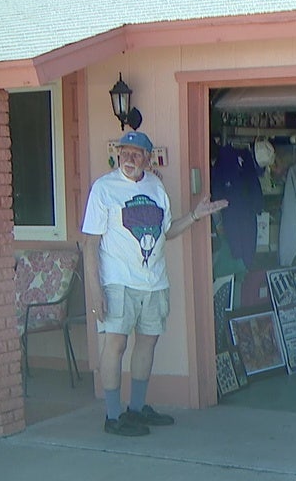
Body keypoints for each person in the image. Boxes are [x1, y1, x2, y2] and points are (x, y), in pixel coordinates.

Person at [82, 130, 228, 436]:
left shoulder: (156, 186)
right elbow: (91, 243)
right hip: (117, 282)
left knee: (148, 341)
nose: (129, 158)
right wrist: (95, 291)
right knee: (116, 343)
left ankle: (135, 410)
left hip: (154, 281)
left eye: (136, 154)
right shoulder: (103, 189)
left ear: (148, 158)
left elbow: (166, 232)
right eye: (124, 152)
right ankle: (112, 416)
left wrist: (194, 216)